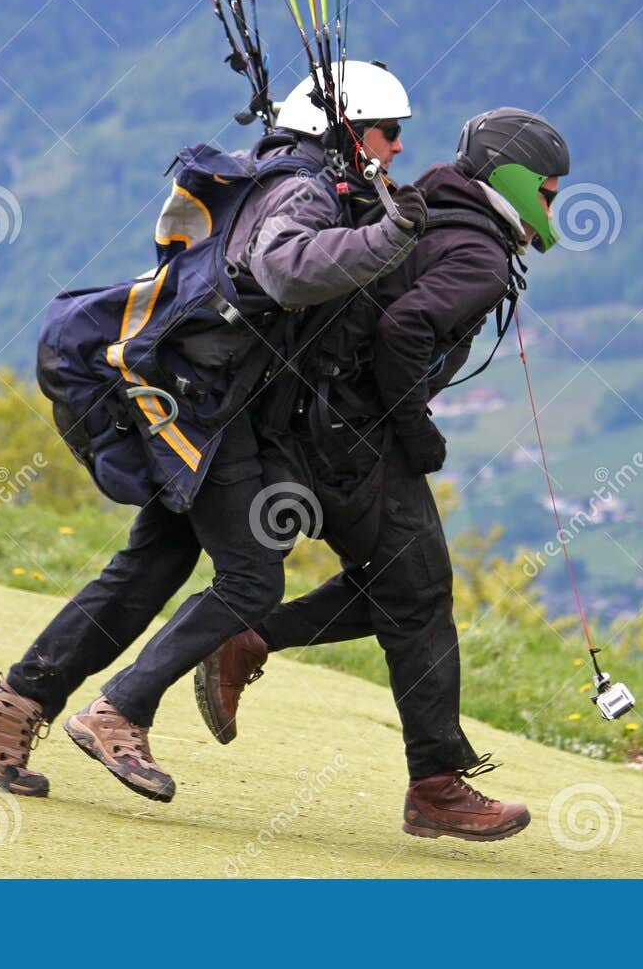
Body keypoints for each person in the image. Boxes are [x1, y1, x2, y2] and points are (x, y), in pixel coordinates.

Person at [0, 61, 421, 801]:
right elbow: (287, 270)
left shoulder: (285, 178)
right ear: (346, 131)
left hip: (188, 396)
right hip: (200, 407)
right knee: (253, 577)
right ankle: (119, 710)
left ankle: (9, 706)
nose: (396, 148)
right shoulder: (301, 190)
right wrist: (391, 236)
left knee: (154, 563)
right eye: (388, 132)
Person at [194, 108, 572, 841]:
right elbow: (403, 332)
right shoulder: (480, 256)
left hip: (315, 418)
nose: (552, 210)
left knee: (403, 588)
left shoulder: (433, 205)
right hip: (360, 437)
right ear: (516, 183)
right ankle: (435, 786)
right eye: (548, 195)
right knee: (422, 593)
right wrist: (415, 431)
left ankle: (248, 637)